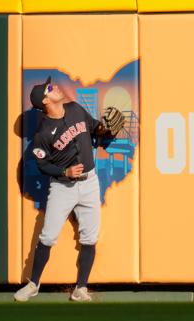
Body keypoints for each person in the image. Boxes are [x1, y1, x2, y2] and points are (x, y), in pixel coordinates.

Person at [14, 77, 117, 303]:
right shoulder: (42, 133)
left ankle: (80, 288)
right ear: (45, 100)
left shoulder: (75, 109)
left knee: (90, 236)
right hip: (62, 187)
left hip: (89, 183)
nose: (56, 87)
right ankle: (33, 284)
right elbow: (41, 164)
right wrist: (64, 172)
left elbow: (93, 128)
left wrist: (105, 129)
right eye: (50, 88)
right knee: (48, 236)